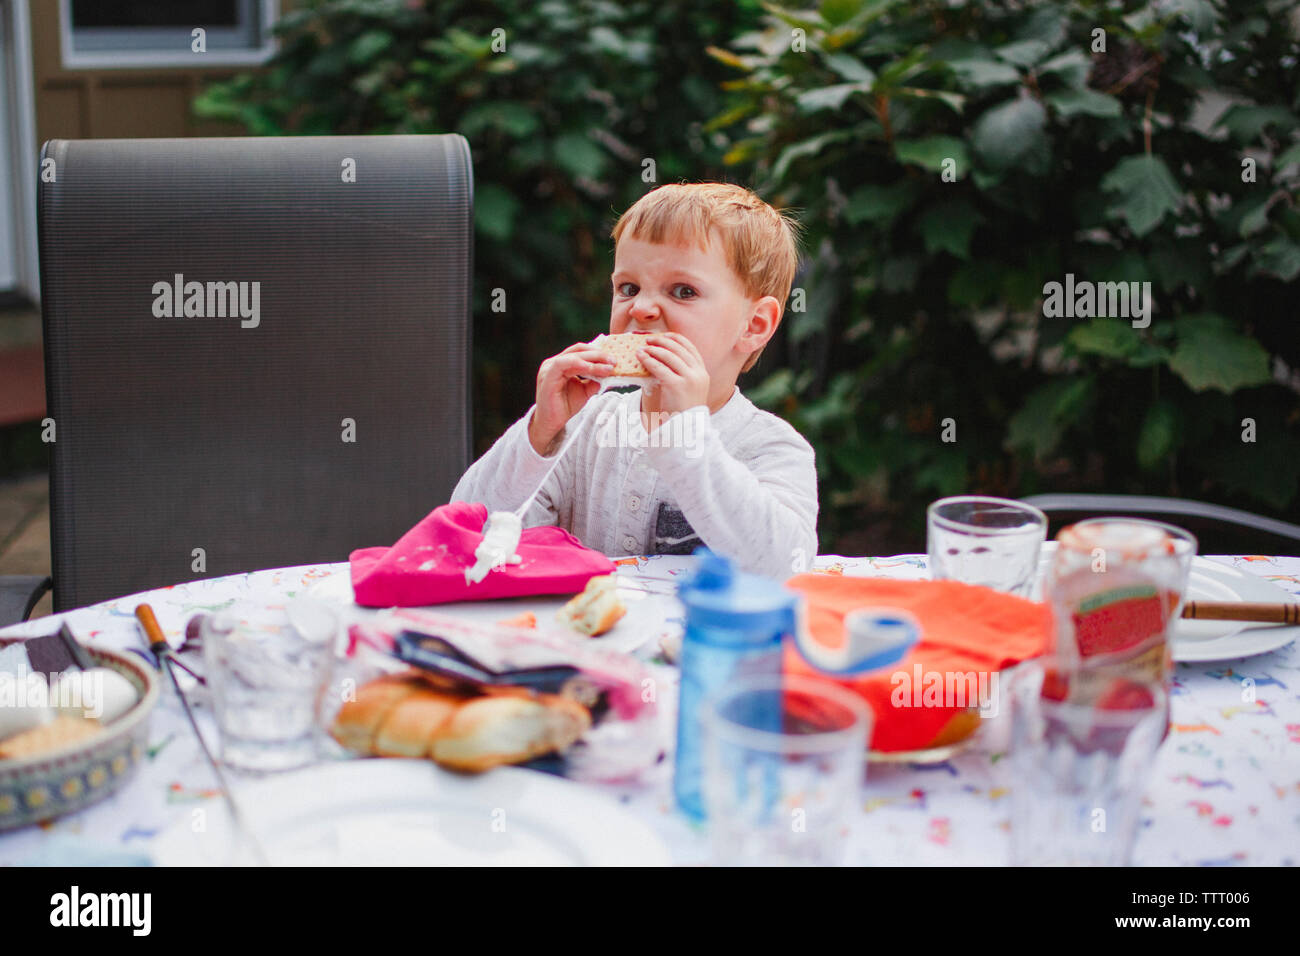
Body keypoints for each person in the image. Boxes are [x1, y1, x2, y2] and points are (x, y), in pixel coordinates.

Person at [451, 182, 817, 580]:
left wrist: (685, 437)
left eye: (682, 291)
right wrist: (540, 432)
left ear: (754, 325)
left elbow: (785, 567)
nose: (641, 308)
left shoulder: (772, 447)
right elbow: (468, 536)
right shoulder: (583, 427)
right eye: (628, 288)